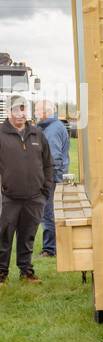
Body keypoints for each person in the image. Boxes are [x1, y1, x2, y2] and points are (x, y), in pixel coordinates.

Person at [0, 96, 54, 284]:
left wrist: (44, 190)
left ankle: (26, 272)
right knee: (4, 237)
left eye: (23, 109)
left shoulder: (37, 134)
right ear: (8, 112)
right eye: (16, 109)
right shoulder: (1, 133)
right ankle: (1, 274)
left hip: (34, 198)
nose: (20, 113)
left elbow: (48, 164)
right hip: (8, 199)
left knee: (28, 236)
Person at [37, 101, 71, 257]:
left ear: (45, 112)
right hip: (53, 176)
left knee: (48, 212)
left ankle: (50, 249)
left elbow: (54, 156)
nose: (36, 113)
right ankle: (54, 247)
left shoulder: (52, 130)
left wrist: (47, 178)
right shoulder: (53, 126)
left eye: (37, 110)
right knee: (49, 212)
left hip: (51, 177)